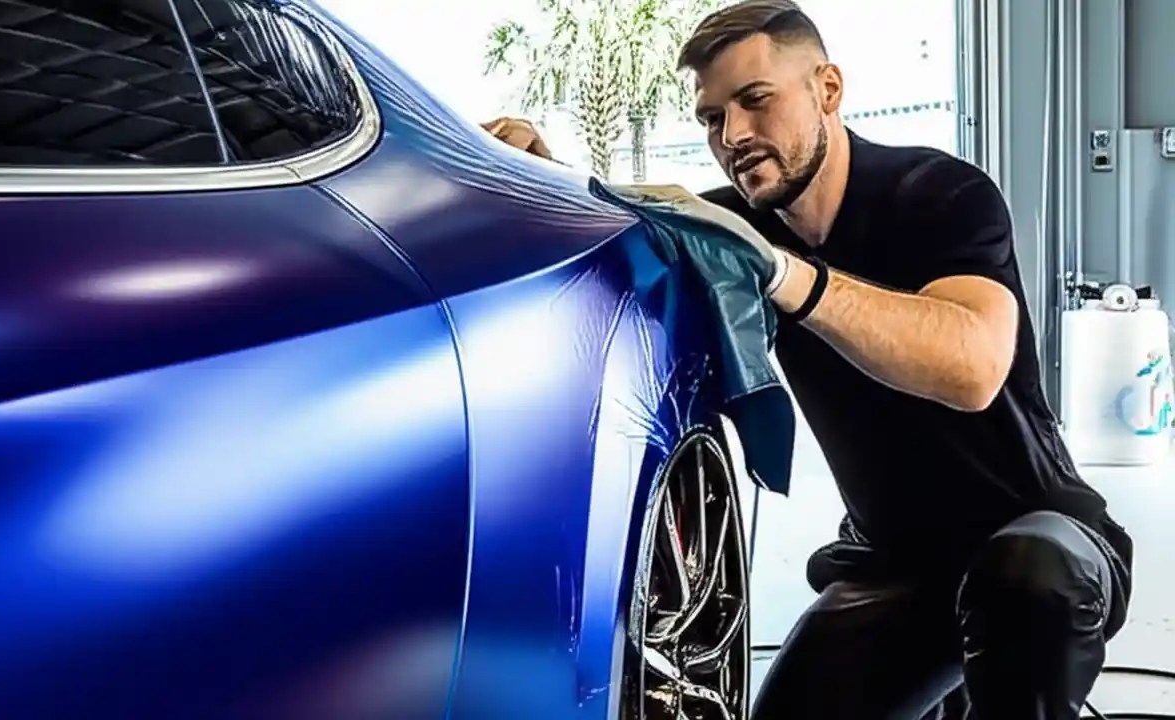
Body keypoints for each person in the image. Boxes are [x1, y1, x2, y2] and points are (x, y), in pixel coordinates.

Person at [485, 2, 1134, 718]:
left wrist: (790, 278)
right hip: (895, 565)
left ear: (827, 89)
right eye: (711, 118)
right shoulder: (736, 228)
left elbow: (973, 368)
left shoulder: (940, 195)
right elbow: (628, 228)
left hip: (1039, 535)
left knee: (1025, 580)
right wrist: (536, 174)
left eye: (755, 101)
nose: (733, 135)